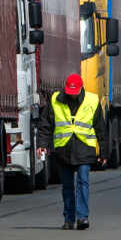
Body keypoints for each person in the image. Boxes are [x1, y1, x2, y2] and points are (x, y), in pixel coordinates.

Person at [43, 73, 107, 231]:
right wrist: (42, 144)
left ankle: (82, 217)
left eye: (74, 92)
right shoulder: (55, 100)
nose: (71, 95)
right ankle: (69, 218)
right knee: (67, 186)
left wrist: (104, 153)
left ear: (81, 89)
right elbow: (45, 124)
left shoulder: (92, 101)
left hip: (84, 149)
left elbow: (101, 129)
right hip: (63, 149)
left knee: (83, 182)